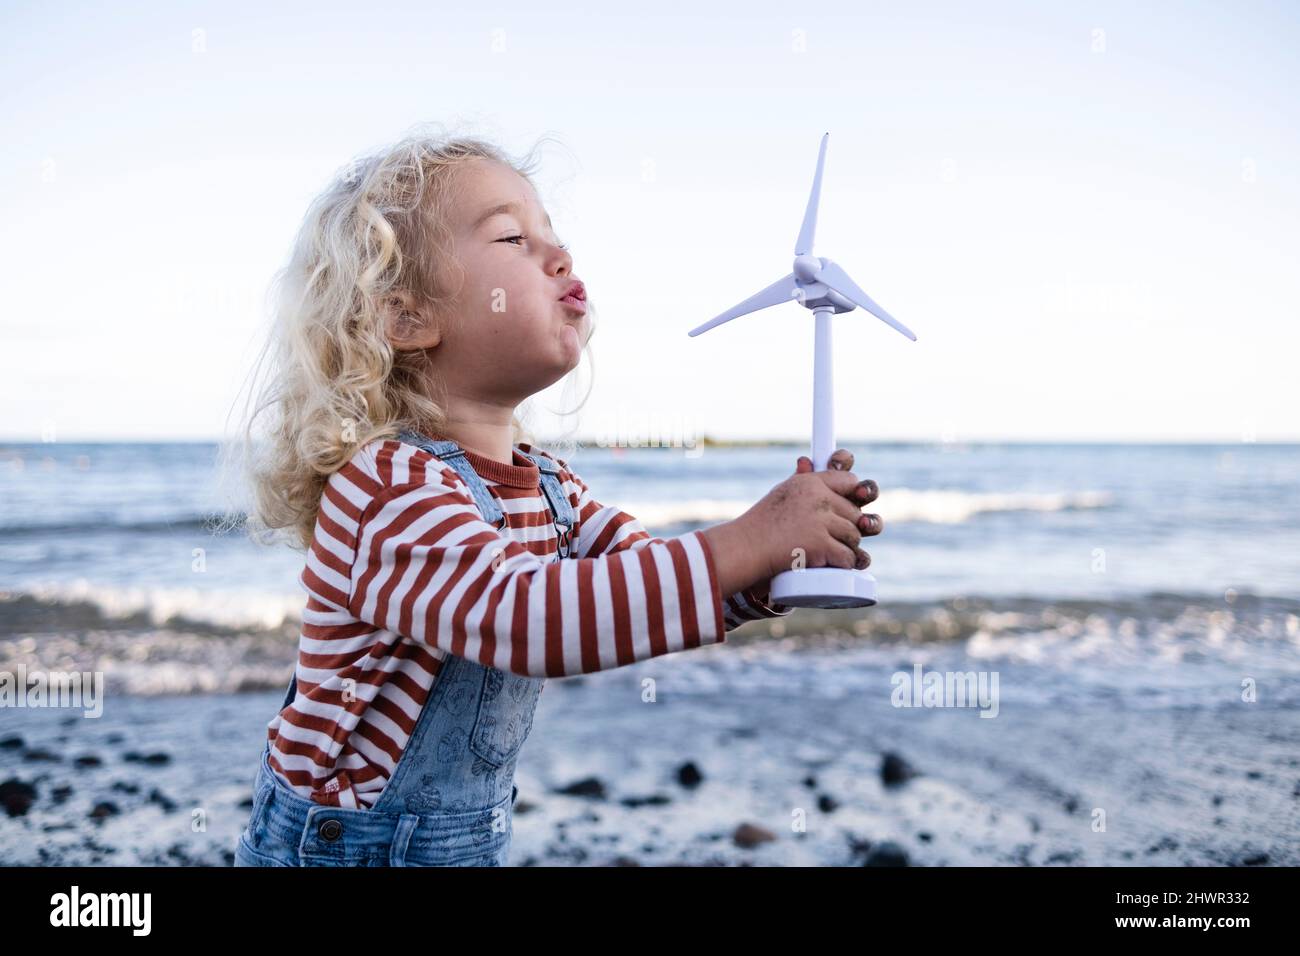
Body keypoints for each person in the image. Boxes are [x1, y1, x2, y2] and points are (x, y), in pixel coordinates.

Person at [228, 125, 884, 866]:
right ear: (407, 317)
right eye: (513, 239)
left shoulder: (551, 488)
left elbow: (641, 587)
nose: (560, 257)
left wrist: (776, 563)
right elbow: (531, 619)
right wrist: (750, 538)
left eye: (555, 238)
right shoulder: (387, 488)